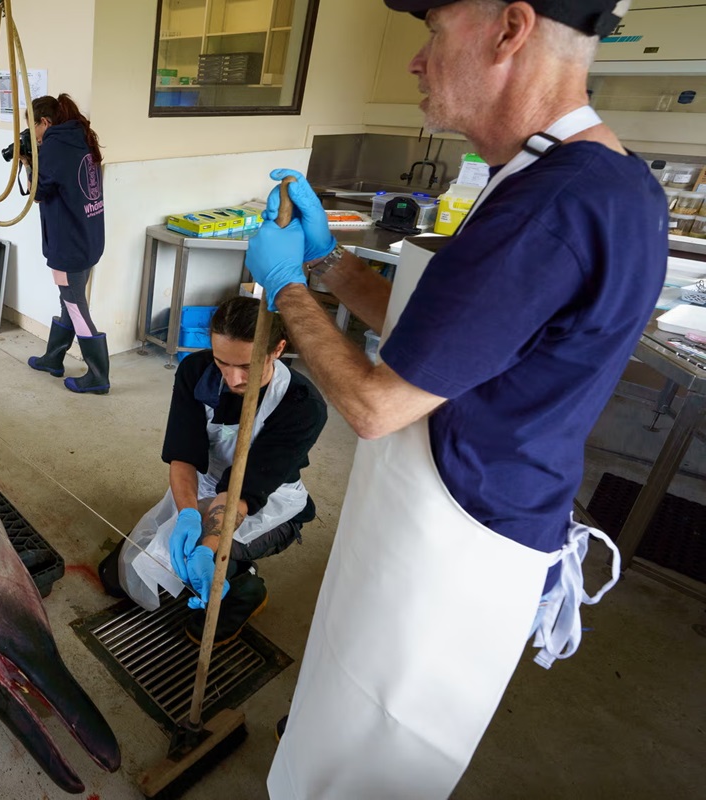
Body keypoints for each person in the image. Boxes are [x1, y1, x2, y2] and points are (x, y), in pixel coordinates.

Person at [243, 2, 667, 797]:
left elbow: (375, 406)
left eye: (434, 33)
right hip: (476, 516)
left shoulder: (550, 207)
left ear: (510, 30)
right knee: (347, 734)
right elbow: (451, 340)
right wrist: (330, 262)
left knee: (375, 755)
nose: (415, 61)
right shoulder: (599, 178)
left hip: (451, 548)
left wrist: (285, 287)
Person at [99, 296, 327, 645]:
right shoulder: (196, 372)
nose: (234, 378)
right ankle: (212, 559)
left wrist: (208, 546)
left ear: (277, 349)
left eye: (247, 366)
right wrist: (188, 514)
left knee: (199, 560)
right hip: (205, 484)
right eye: (223, 362)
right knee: (117, 577)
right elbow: (184, 458)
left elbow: (244, 491)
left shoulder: (301, 405)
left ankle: (244, 587)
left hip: (262, 502)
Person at [21, 94, 109, 395]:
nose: (32, 134)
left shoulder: (55, 146)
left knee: (74, 303)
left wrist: (29, 163)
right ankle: (53, 359)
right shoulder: (80, 137)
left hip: (68, 243)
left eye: (32, 126)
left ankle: (98, 374)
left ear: (45, 121)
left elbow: (38, 191)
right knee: (68, 300)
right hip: (88, 237)